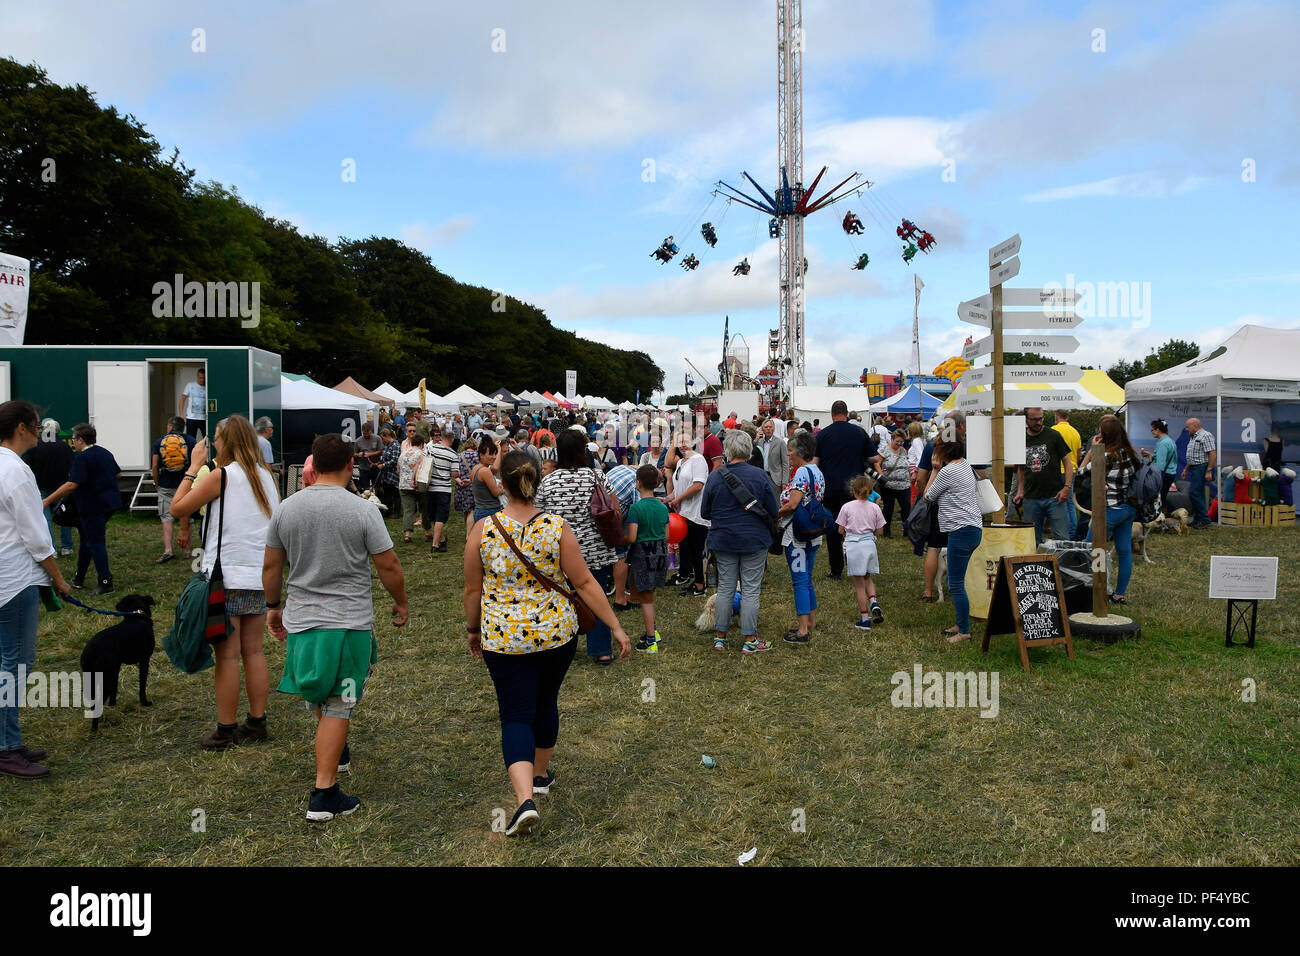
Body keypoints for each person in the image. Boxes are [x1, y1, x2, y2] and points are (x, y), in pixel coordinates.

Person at [464, 450, 629, 836]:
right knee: (545, 702)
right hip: (556, 635)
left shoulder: (483, 530)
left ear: (501, 484)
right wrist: (616, 627)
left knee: (515, 714)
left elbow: (473, 590)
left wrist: (473, 629)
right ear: (536, 481)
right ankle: (539, 775)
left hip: (503, 639)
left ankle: (525, 799)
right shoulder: (557, 527)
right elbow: (586, 582)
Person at [265, 433, 409, 822]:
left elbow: (271, 567)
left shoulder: (286, 509)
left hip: (303, 623)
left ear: (312, 463)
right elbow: (389, 566)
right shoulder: (363, 511)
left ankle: (337, 751)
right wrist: (400, 601)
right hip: (348, 628)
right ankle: (324, 793)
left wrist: (273, 607)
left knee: (321, 693)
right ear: (350, 466)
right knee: (340, 703)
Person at [171, 415, 281, 750]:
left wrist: (193, 468)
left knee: (228, 657)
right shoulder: (266, 477)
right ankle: (257, 721)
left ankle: (226, 728)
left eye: (216, 438)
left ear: (225, 441)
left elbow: (177, 508)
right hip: (260, 575)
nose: (213, 443)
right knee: (254, 651)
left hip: (227, 577)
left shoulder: (221, 476)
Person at [0, 401, 73, 778]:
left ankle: (8, 739)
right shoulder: (15, 470)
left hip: (6, 577)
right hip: (14, 579)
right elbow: (34, 533)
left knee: (8, 663)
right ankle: (6, 746)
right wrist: (58, 578)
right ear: (25, 428)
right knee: (14, 666)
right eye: (35, 424)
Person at [534, 429, 621, 665]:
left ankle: (561, 646)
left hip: (560, 552)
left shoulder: (548, 481)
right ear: (582, 451)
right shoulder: (596, 476)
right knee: (597, 598)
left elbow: (537, 514)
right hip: (595, 549)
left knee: (560, 601)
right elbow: (614, 508)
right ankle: (601, 649)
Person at [700, 429, 779, 654]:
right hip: (754, 539)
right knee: (751, 589)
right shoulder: (760, 475)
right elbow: (773, 510)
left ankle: (720, 637)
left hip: (723, 539)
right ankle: (750, 639)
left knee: (725, 588)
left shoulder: (715, 476)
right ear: (749, 450)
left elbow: (705, 512)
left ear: (727, 451)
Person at [42, 423, 121, 596]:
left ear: (80, 440)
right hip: (109, 504)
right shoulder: (105, 452)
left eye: (73, 439)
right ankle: (79, 577)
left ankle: (105, 582)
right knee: (87, 539)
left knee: (96, 543)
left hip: (92, 506)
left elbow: (72, 484)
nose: (73, 442)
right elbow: (117, 473)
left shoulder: (83, 458)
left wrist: (47, 500)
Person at [814, 400, 881, 580]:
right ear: (847, 412)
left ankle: (836, 570)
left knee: (834, 530)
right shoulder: (859, 432)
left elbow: (815, 462)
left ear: (832, 414)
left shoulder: (823, 435)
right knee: (854, 529)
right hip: (855, 489)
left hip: (830, 488)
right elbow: (875, 457)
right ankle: (856, 566)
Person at [923, 438, 982, 643]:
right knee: (957, 580)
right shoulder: (965, 464)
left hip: (961, 530)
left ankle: (964, 631)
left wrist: (935, 470)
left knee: (955, 583)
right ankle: (960, 622)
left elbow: (927, 496)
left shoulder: (947, 472)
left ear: (944, 452)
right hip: (972, 528)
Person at [1080, 416, 1141, 604]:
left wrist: (1091, 451)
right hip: (1128, 508)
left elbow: (1081, 472)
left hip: (1109, 509)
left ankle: (1089, 589)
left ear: (1103, 434)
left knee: (1089, 549)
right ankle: (1119, 594)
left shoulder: (1104, 456)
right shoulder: (1131, 453)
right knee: (1124, 552)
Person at [777, 429, 825, 645]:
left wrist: (774, 513)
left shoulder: (801, 473)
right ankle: (810, 621)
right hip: (813, 533)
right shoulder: (817, 471)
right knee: (807, 580)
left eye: (791, 450)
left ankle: (803, 630)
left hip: (796, 535)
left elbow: (793, 504)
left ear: (800, 452)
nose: (788, 454)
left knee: (799, 581)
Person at [622, 466, 671, 653]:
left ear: (638, 483)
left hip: (642, 554)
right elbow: (666, 535)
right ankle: (654, 631)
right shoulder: (661, 506)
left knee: (646, 599)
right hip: (659, 553)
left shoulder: (636, 508)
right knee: (649, 594)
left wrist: (623, 539)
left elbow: (632, 537)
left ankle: (651, 641)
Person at [1014, 407, 1075, 546]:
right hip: (1031, 498)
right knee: (1031, 541)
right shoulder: (1021, 439)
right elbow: (1021, 469)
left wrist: (1067, 487)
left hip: (1055, 497)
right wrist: (1020, 490)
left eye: (1041, 418)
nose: (1039, 422)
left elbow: (1068, 462)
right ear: (1026, 420)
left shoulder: (1054, 435)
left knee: (1062, 540)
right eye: (1035, 419)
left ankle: (1063, 567)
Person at [664, 431, 710, 599]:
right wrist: (668, 498)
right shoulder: (681, 462)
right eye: (679, 442)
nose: (682, 445)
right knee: (686, 549)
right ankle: (688, 577)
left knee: (696, 551)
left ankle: (700, 586)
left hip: (696, 513)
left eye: (686, 441)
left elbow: (698, 485)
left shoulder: (698, 460)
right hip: (683, 513)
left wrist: (678, 500)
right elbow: (680, 487)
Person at [838, 475, 886, 631]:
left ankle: (865, 619)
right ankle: (874, 601)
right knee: (868, 577)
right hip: (869, 545)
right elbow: (880, 531)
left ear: (853, 491)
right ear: (871, 491)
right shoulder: (875, 507)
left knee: (859, 585)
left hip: (853, 546)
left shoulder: (847, 507)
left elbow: (840, 529)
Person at [24, 418, 76, 556]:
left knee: (44, 518)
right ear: (57, 431)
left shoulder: (35, 446)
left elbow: (28, 467)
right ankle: (67, 547)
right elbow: (72, 466)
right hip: (62, 487)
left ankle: (51, 549)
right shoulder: (64, 446)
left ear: (43, 430)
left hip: (41, 487)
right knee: (64, 515)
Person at [150, 416, 195, 564]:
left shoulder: (160, 442)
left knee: (166, 518)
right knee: (187, 516)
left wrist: (157, 484)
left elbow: (155, 466)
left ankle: (168, 550)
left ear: (169, 426)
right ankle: (187, 550)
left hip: (166, 484)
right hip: (186, 484)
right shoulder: (191, 441)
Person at [604, 460, 639, 612]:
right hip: (609, 517)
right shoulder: (638, 484)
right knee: (621, 554)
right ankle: (620, 599)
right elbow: (640, 511)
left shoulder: (622, 468)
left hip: (596, 510)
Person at [426, 429, 460, 553]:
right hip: (444, 488)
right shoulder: (453, 454)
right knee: (440, 517)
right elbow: (455, 474)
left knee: (434, 515)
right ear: (451, 440)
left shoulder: (431, 449)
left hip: (430, 487)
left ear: (441, 437)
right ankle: (435, 545)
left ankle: (442, 539)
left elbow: (422, 463)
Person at [876, 430, 913, 538]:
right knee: (888, 508)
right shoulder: (884, 450)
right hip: (889, 485)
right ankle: (886, 531)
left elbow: (907, 462)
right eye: (897, 441)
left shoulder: (903, 450)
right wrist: (882, 477)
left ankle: (907, 530)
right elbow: (877, 464)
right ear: (892, 439)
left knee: (906, 508)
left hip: (905, 485)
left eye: (901, 442)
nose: (899, 444)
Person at [1181, 418, 1217, 528]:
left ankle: (1205, 519)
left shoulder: (1206, 435)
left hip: (1202, 468)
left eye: (1188, 427)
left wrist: (1209, 470)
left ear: (1195, 426)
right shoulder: (1193, 437)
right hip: (1194, 468)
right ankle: (1199, 519)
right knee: (1199, 493)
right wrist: (1186, 469)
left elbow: (1212, 454)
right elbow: (1192, 456)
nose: (1186, 429)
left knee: (1194, 493)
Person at [1051, 410, 1082, 537]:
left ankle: (1063, 532)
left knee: (1057, 503)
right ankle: (1072, 532)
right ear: (1067, 418)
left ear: (1056, 417)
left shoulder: (1053, 430)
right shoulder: (1075, 432)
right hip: (1072, 471)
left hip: (1058, 470)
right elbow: (1079, 454)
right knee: (1069, 503)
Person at [1140, 420, 1179, 514]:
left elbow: (1160, 466)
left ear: (1158, 430)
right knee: (1163, 496)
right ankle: (1168, 515)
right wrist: (1150, 455)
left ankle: (1163, 516)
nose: (1152, 432)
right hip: (1170, 473)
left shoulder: (1163, 443)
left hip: (1163, 474)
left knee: (1158, 497)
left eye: (1152, 430)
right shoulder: (1169, 440)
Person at [397, 432, 426, 544]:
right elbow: (422, 468)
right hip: (418, 484)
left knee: (408, 510)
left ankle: (407, 534)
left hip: (404, 484)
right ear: (421, 444)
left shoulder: (403, 454)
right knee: (423, 508)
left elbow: (398, 470)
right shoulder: (421, 454)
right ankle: (428, 532)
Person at [472, 437, 507, 524]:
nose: (494, 457)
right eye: (491, 454)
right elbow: (496, 492)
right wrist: (502, 488)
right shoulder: (485, 471)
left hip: (480, 509)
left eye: (495, 454)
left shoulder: (475, 468)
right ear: (481, 455)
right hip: (489, 511)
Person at [374, 426, 401, 514]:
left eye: (382, 438)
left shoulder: (396, 445)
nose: (382, 440)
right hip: (385, 474)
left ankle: (397, 512)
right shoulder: (386, 446)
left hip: (393, 474)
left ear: (386, 436)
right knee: (387, 493)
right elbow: (384, 457)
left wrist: (384, 465)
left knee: (395, 493)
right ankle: (388, 511)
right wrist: (379, 463)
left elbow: (395, 460)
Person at [759, 418, 789, 492]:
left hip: (775, 479)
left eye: (770, 427)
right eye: (766, 427)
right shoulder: (759, 442)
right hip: (762, 477)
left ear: (774, 428)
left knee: (776, 502)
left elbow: (785, 463)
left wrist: (784, 482)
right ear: (762, 429)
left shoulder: (780, 442)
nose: (768, 429)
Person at [353, 421, 382, 493]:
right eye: (364, 434)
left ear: (371, 431)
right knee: (366, 487)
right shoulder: (358, 441)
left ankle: (376, 498)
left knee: (376, 486)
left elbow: (380, 451)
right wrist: (359, 454)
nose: (365, 435)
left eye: (367, 433)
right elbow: (353, 454)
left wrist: (370, 454)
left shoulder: (377, 438)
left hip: (375, 466)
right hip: (363, 467)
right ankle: (367, 500)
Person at [179, 368, 207, 439]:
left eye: (204, 378)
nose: (202, 380)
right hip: (191, 418)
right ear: (197, 377)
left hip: (204, 418)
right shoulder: (190, 385)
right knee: (190, 439)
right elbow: (182, 399)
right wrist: (181, 414)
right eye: (200, 378)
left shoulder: (207, 386)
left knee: (206, 439)